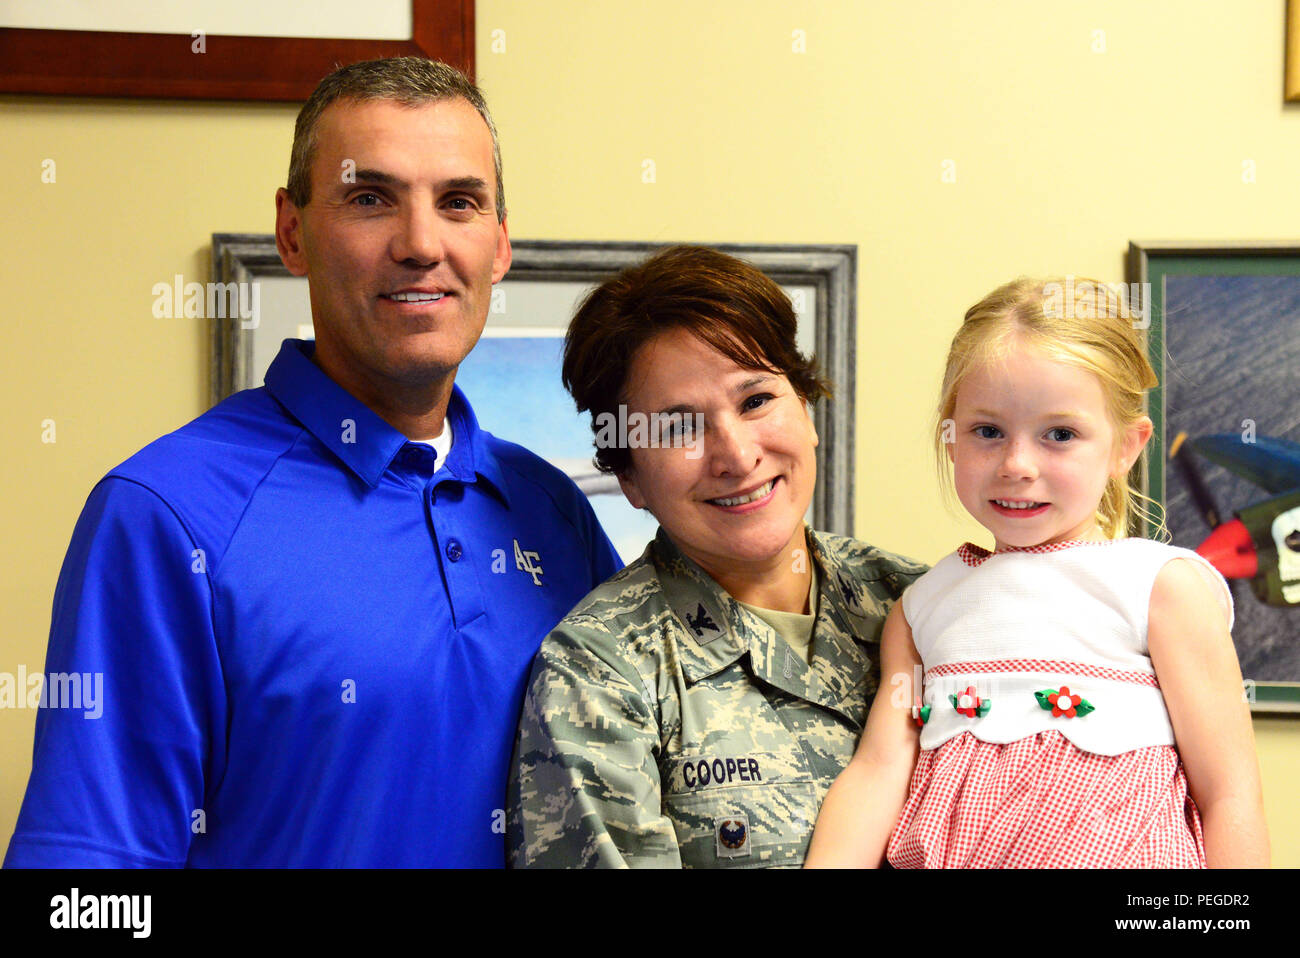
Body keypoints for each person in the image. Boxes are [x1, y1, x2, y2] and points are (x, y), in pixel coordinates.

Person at [4, 57, 621, 868]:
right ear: (291, 232)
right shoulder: (165, 514)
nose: (421, 244)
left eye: (459, 203)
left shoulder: (551, 508)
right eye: (371, 199)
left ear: (499, 245)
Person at [805, 277, 1270, 868]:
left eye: (1060, 434)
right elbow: (877, 772)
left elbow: (1230, 793)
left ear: (1126, 446)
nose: (1017, 465)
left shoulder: (1159, 588)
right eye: (988, 431)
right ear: (950, 438)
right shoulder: (921, 609)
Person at [507, 245, 928, 867]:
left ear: (806, 410)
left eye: (756, 400)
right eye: (678, 427)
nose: (735, 454)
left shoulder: (923, 604)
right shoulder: (599, 672)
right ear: (631, 478)